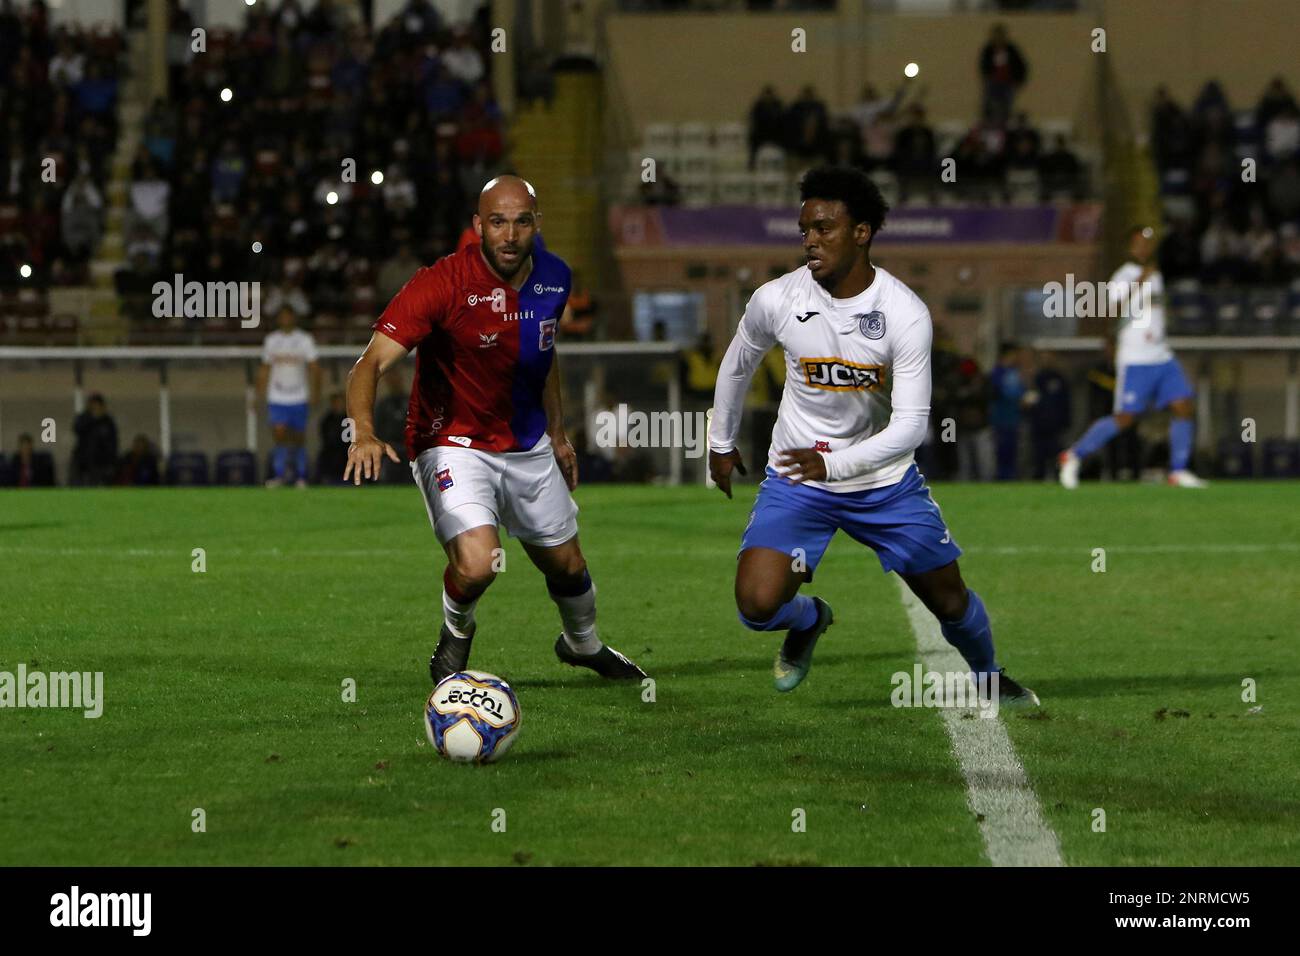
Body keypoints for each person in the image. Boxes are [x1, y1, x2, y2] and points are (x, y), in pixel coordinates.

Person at [707, 166, 1038, 707]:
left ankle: (988, 675)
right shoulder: (777, 298)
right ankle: (810, 618)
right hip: (799, 481)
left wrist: (834, 466)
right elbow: (738, 363)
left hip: (884, 483)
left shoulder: (904, 313)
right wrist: (721, 442)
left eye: (825, 228)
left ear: (862, 232)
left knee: (949, 602)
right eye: (804, 230)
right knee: (756, 605)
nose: (811, 241)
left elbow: (910, 427)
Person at [344, 175, 647, 685]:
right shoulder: (440, 284)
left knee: (568, 565)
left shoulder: (555, 277)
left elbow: (544, 355)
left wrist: (557, 432)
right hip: (451, 442)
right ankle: (456, 634)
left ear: (536, 225)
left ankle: (582, 645)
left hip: (526, 444)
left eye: (521, 221)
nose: (509, 234)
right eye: (498, 222)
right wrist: (364, 431)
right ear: (478, 226)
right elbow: (368, 365)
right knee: (480, 563)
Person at [1059, 226, 1209, 488]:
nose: (1144, 247)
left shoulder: (1157, 275)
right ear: (1131, 247)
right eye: (1139, 242)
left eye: (1148, 243)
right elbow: (1111, 312)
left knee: (1183, 406)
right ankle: (1073, 455)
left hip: (1161, 354)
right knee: (1125, 419)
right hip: (1136, 357)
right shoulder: (1124, 275)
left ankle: (1177, 471)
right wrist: (1139, 282)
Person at [258, 305, 321, 487]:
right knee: (278, 434)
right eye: (282, 316)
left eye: (288, 316)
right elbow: (264, 368)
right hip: (277, 396)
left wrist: (316, 392)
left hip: (298, 395)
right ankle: (280, 474)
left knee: (298, 437)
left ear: (294, 318)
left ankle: (301, 476)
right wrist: (258, 393)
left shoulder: (304, 340)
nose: (285, 319)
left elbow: (315, 368)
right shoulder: (271, 340)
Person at [71, 393, 118, 486]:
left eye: (97, 405)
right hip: (83, 459)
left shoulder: (108, 421)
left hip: (102, 460)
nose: (95, 407)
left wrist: (112, 460)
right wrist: (92, 418)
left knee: (99, 484)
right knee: (79, 484)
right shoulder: (83, 418)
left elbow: (113, 442)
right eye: (93, 405)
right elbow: (77, 429)